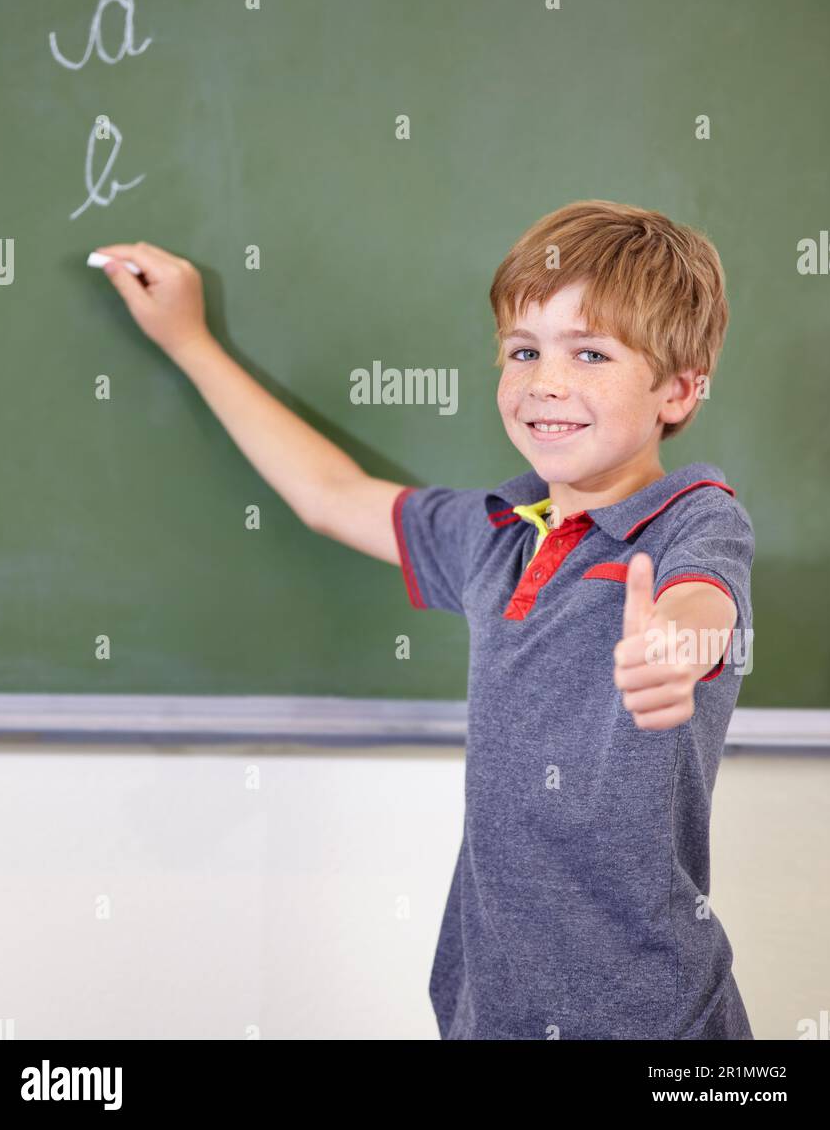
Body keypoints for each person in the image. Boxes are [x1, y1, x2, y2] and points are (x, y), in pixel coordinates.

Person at [97, 198, 755, 1040]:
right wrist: (188, 340)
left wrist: (676, 643)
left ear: (679, 388)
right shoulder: (497, 536)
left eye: (590, 352)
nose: (544, 381)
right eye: (523, 351)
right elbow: (331, 497)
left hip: (653, 1020)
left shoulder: (691, 518)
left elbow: (705, 602)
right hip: (489, 1013)